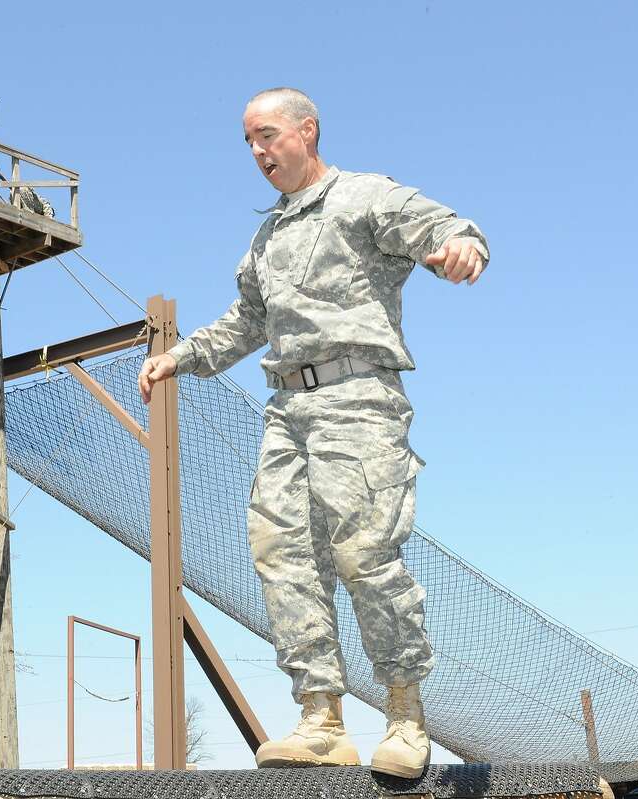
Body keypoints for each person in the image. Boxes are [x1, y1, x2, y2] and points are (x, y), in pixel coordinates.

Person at [137, 87, 488, 778]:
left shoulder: (362, 196)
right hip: (286, 409)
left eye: (267, 134)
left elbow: (447, 228)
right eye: (248, 142)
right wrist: (179, 356)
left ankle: (405, 715)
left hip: (359, 397)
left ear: (307, 130)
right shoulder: (266, 235)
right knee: (282, 551)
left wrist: (459, 248)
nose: (259, 151)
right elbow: (246, 321)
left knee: (363, 552)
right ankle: (322, 716)